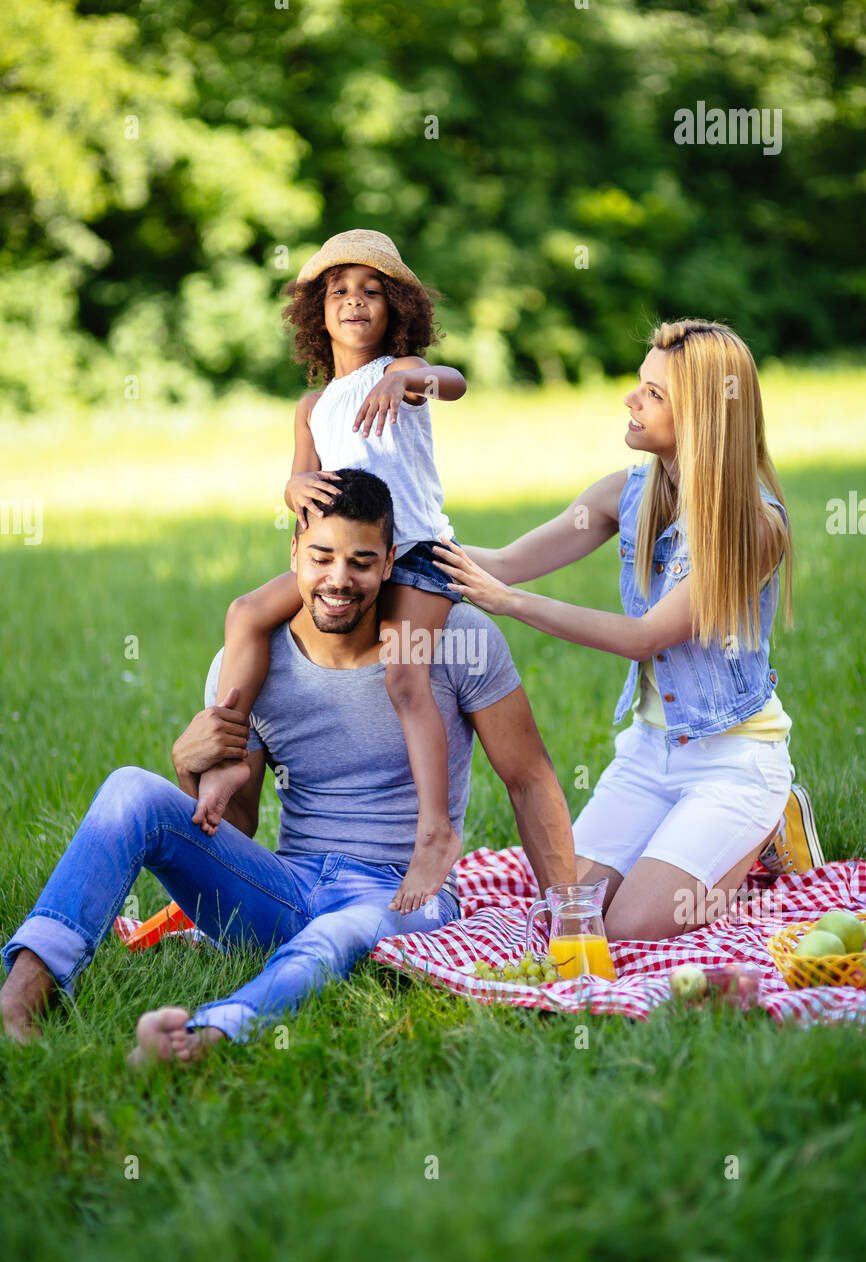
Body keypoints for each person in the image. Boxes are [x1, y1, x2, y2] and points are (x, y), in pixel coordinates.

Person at [0, 470, 576, 1061]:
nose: (339, 580)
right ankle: (20, 1003)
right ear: (294, 551)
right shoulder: (247, 661)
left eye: (360, 562)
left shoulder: (459, 640)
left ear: (389, 562)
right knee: (128, 790)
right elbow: (239, 823)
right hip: (284, 885)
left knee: (339, 931)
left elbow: (529, 779)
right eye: (322, 556)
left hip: (402, 893)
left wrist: (571, 922)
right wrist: (187, 769)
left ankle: (203, 1038)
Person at [433, 318, 824, 942]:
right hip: (647, 755)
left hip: (732, 762)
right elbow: (505, 561)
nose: (630, 400)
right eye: (640, 384)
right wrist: (398, 543)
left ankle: (769, 821)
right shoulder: (624, 492)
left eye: (654, 394)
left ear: (702, 417)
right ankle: (706, 839)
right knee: (565, 920)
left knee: (629, 930)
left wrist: (511, 604)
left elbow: (645, 637)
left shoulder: (752, 525)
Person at [194, 229, 467, 916]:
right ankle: (229, 750)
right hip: (341, 560)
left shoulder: (403, 373)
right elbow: (299, 478)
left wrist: (411, 376)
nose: (354, 301)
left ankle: (434, 830)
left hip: (416, 555)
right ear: (317, 311)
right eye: (339, 291)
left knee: (406, 679)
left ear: (395, 309)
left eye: (371, 291)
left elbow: (454, 383)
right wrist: (292, 491)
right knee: (245, 615)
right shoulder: (312, 406)